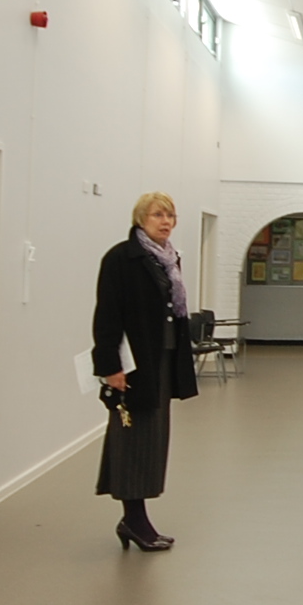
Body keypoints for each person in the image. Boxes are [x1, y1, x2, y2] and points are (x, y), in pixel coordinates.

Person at [91, 192, 199, 551]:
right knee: (132, 438)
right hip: (134, 365)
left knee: (152, 440)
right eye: (157, 215)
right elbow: (108, 314)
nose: (165, 222)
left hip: (161, 362)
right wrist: (110, 366)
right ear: (141, 219)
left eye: (170, 216)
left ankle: (135, 519)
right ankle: (134, 520)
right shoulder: (122, 258)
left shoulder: (169, 260)